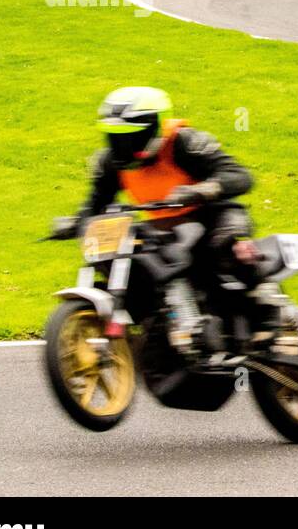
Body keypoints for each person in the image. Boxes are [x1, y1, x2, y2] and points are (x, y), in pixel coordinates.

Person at [51, 86, 260, 353]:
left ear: (157, 127)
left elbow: (239, 175)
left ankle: (266, 318)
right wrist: (77, 222)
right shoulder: (111, 162)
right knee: (131, 256)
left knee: (230, 250)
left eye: (132, 138)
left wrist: (202, 190)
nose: (123, 148)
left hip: (212, 216)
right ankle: (164, 326)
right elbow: (96, 204)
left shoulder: (185, 143)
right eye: (116, 138)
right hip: (165, 226)